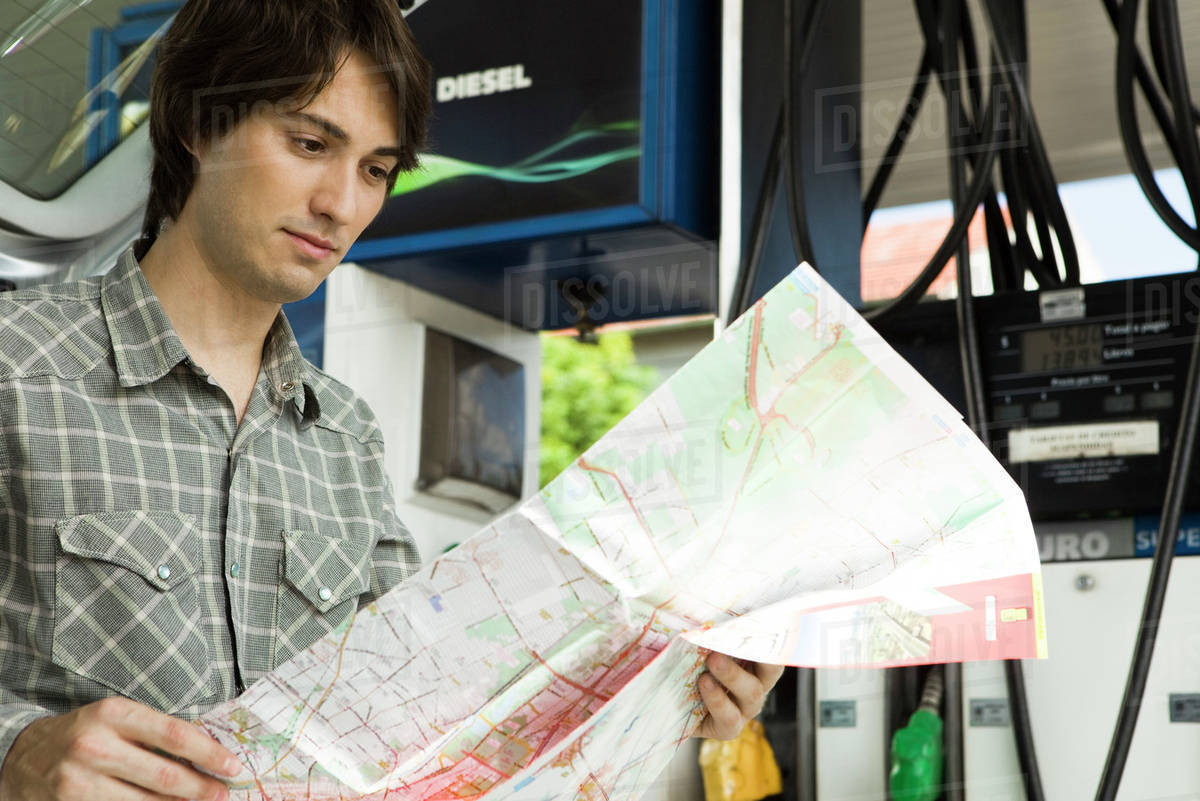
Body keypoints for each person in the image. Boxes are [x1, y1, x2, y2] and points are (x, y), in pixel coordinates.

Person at [0, 1, 783, 799]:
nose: (342, 204)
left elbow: (428, 722)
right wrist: (13, 753)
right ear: (200, 125)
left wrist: (663, 687)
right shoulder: (13, 366)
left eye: (375, 170)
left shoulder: (346, 438)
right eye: (310, 143)